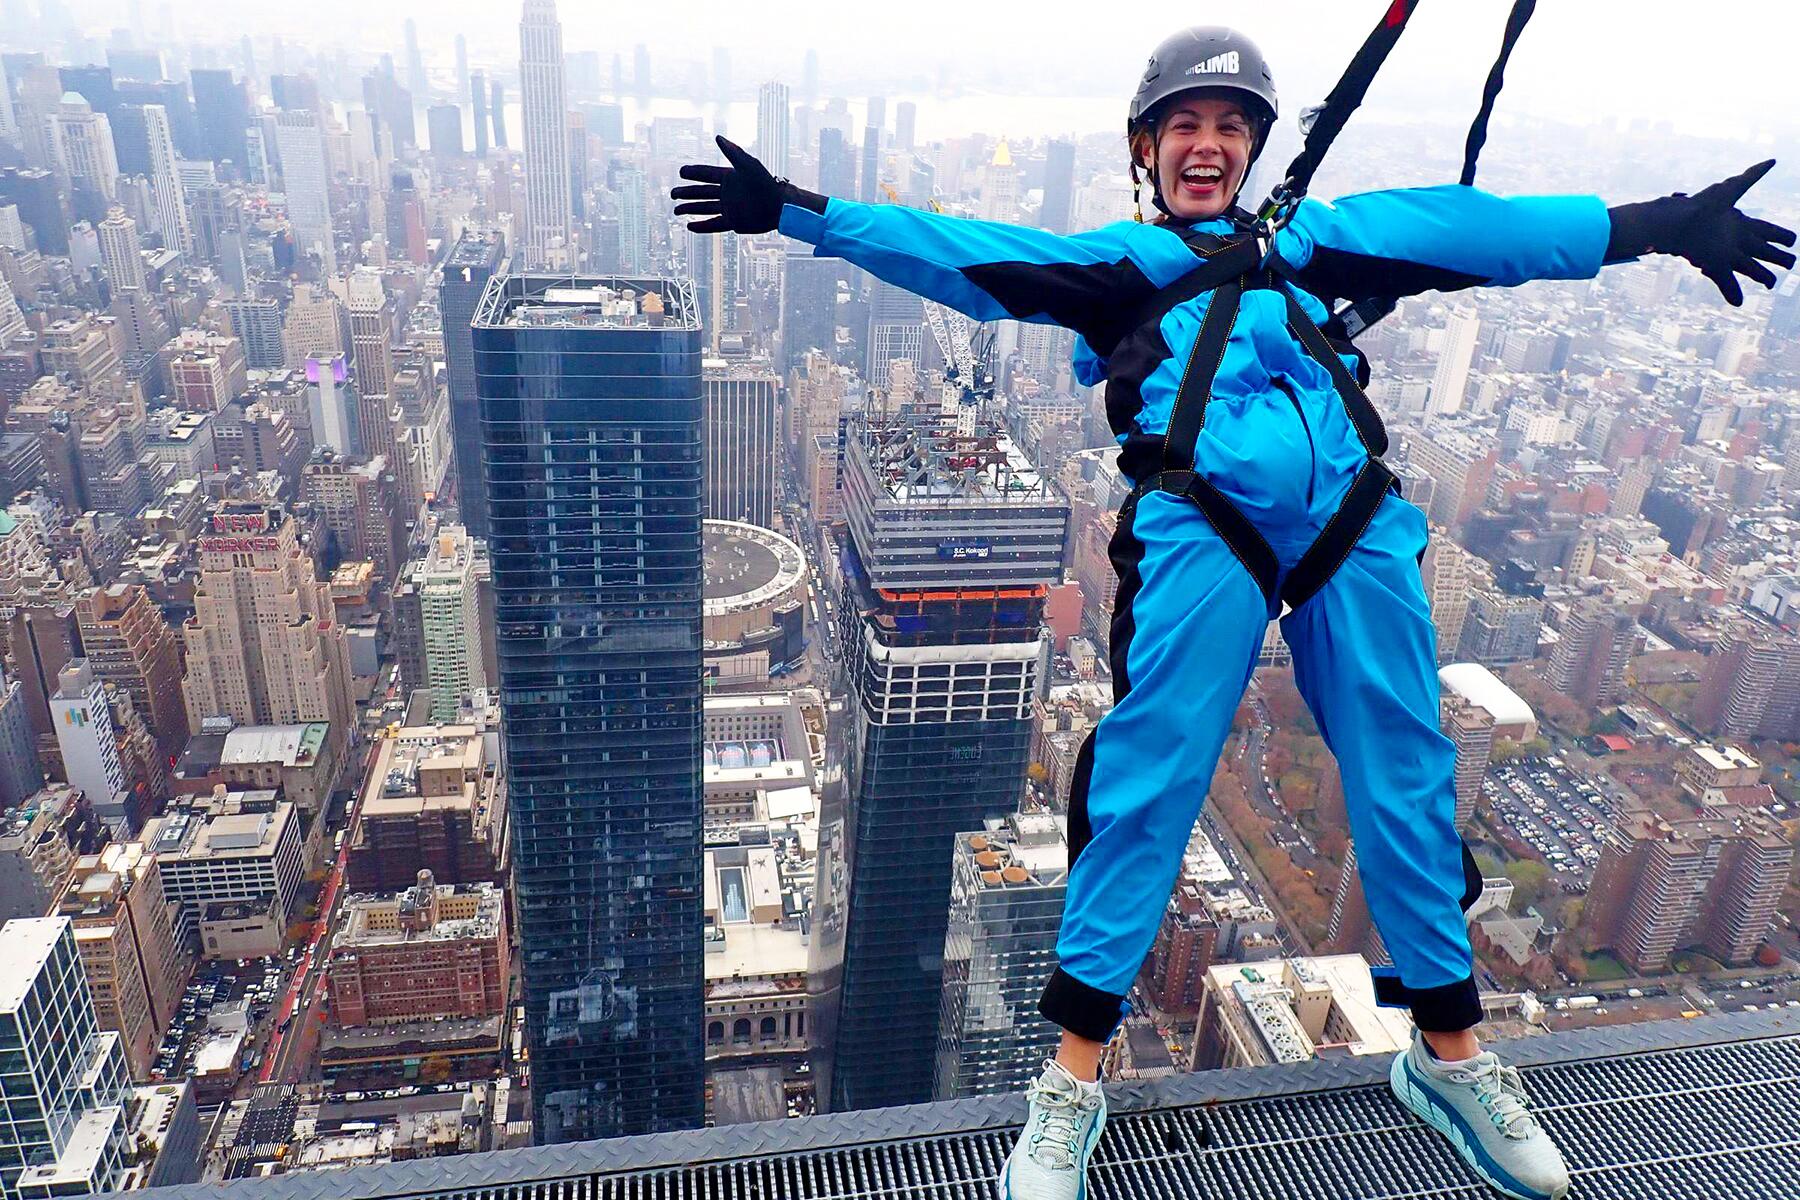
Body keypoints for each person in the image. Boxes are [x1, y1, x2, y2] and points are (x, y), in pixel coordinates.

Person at [675, 25, 1793, 1200]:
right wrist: (796, 210)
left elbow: (1478, 232)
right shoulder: (1126, 264)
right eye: (1184, 129)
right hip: (1202, 514)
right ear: (1147, 152)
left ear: (1254, 147)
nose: (1207, 146)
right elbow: (968, 256)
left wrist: (1660, 223)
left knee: (1406, 766)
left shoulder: (1319, 242)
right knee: (1151, 776)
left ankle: (1452, 1053)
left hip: (1353, 514)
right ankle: (1068, 1085)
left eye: (1230, 128)